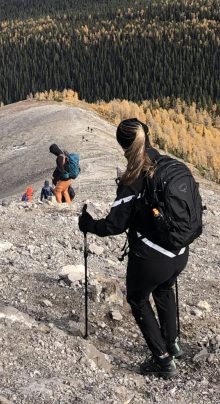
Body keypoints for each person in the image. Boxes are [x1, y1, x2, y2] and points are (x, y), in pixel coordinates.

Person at [79, 119, 188, 378]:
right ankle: (172, 343)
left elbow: (114, 225)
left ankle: (162, 361)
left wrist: (88, 224)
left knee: (138, 300)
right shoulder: (172, 166)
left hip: (152, 257)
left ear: (122, 145)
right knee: (164, 289)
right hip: (180, 250)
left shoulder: (133, 178)